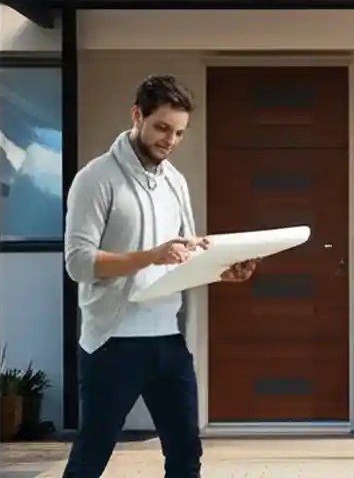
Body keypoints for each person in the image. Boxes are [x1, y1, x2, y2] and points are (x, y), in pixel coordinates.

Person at [62, 75, 256, 478]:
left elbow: (183, 254)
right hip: (113, 342)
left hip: (168, 339)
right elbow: (78, 263)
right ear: (137, 115)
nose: (170, 140)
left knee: (186, 456)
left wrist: (223, 271)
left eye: (179, 132)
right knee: (91, 458)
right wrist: (151, 256)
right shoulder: (96, 179)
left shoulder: (175, 182)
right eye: (162, 128)